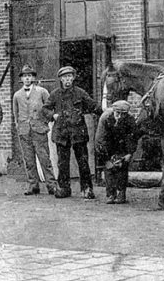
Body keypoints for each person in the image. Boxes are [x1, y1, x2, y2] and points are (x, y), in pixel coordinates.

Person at [44, 66, 102, 199]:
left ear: (73, 78)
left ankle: (86, 189)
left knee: (83, 162)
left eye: (69, 76)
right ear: (61, 79)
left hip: (78, 132)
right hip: (61, 133)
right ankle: (64, 188)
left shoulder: (80, 93)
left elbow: (93, 106)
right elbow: (45, 109)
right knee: (62, 163)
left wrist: (105, 112)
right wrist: (53, 115)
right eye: (64, 77)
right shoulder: (55, 94)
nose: (67, 79)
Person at [11, 64, 56, 195]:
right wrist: (20, 127)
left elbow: (49, 108)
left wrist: (44, 123)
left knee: (44, 158)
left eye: (29, 76)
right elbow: (16, 113)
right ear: (21, 78)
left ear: (33, 78)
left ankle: (51, 184)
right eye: (25, 76)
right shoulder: (17, 95)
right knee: (29, 159)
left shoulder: (42, 92)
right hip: (25, 131)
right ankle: (33, 184)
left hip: (39, 130)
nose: (27, 78)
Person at [96, 100, 139, 204]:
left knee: (122, 170)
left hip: (122, 148)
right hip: (109, 148)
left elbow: (132, 138)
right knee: (109, 170)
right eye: (117, 113)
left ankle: (121, 193)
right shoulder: (106, 119)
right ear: (113, 111)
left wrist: (129, 153)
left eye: (122, 114)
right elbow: (101, 140)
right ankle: (110, 194)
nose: (119, 116)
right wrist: (106, 159)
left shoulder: (130, 121)